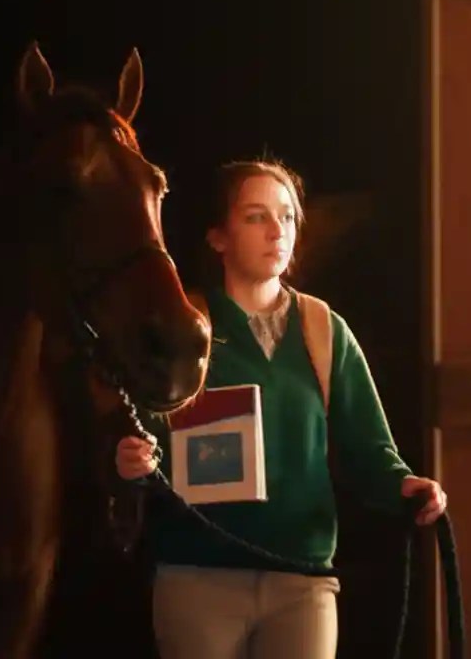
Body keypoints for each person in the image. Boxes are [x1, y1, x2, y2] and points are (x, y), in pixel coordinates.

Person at [114, 159, 447, 659]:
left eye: (287, 216)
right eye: (255, 217)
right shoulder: (186, 329)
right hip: (197, 578)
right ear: (218, 236)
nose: (277, 231)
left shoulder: (322, 330)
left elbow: (371, 451)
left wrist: (407, 485)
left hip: (302, 583)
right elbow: (146, 442)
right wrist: (131, 461)